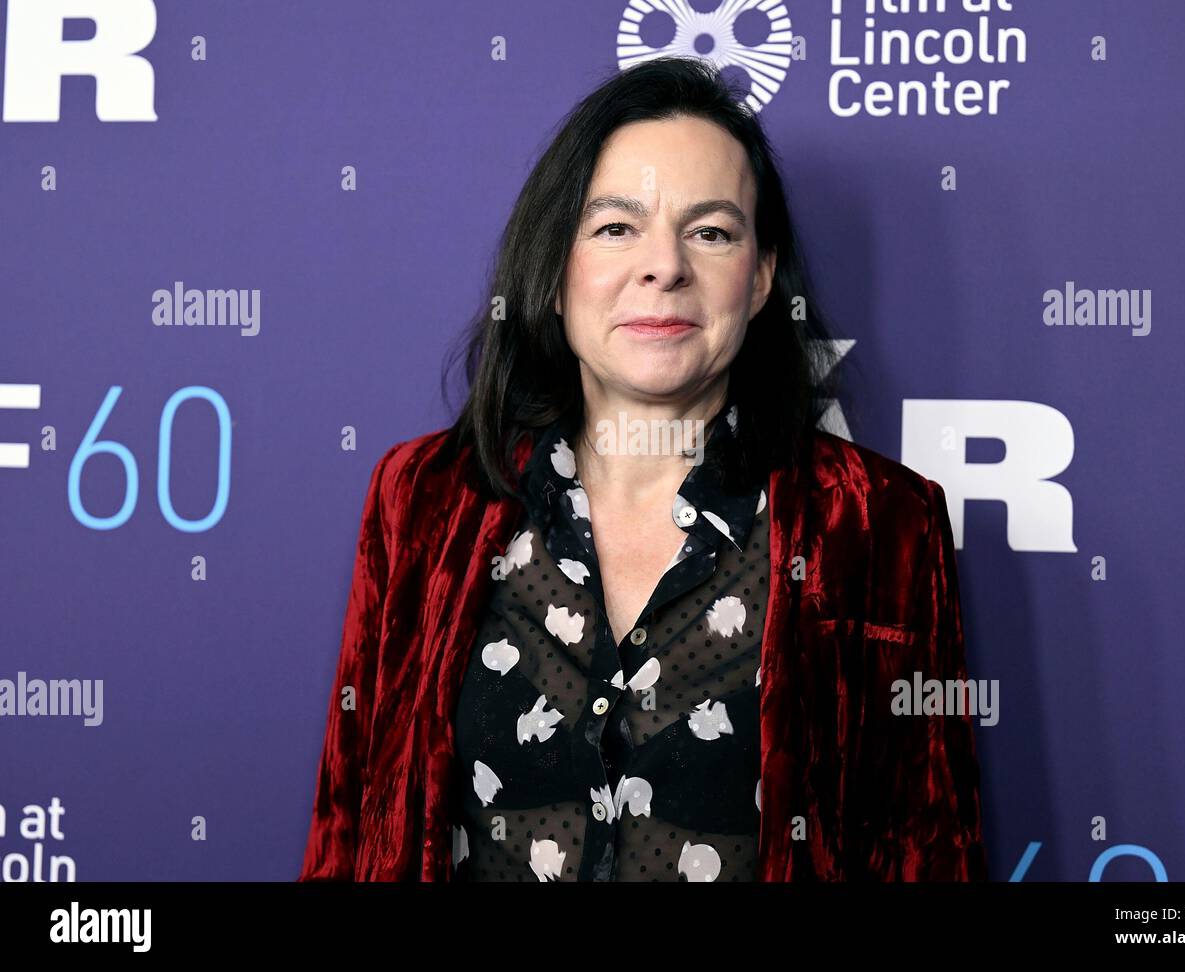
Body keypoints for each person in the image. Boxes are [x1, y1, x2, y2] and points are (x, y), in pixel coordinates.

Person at [299, 56, 988, 882]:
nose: (664, 266)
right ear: (555, 271)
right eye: (617, 226)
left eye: (712, 231)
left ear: (762, 279)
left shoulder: (880, 523)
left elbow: (928, 849)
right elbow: (349, 827)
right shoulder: (422, 499)